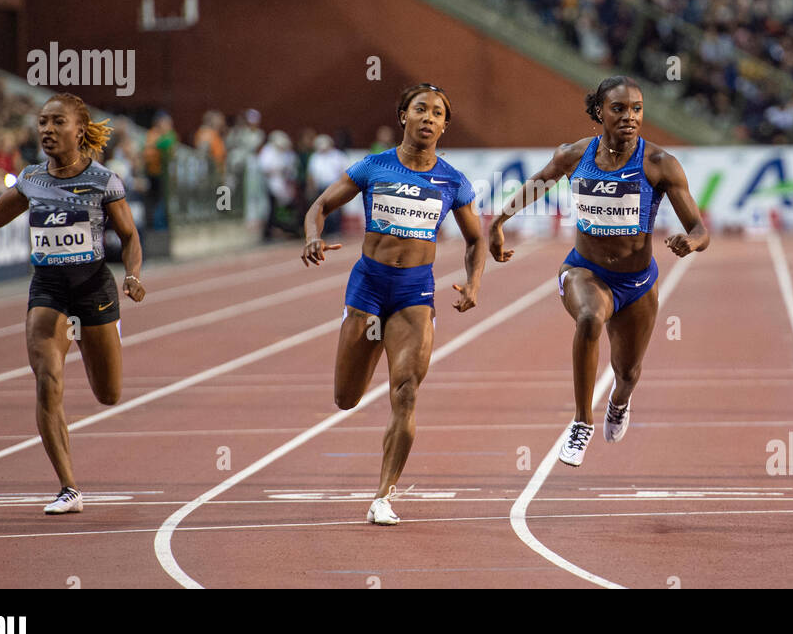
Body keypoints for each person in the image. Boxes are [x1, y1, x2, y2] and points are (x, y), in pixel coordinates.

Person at [0, 93, 146, 514]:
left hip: (94, 288)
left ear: (79, 130)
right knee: (47, 379)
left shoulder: (103, 181)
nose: (47, 130)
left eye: (58, 122)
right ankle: (69, 487)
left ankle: (105, 331)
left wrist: (131, 275)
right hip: (48, 290)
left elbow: (129, 236)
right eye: (42, 122)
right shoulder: (31, 179)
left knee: (108, 395)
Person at [490, 76, 710, 466]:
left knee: (627, 372)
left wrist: (691, 241)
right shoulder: (574, 155)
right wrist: (498, 222)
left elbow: (700, 229)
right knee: (590, 318)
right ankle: (580, 423)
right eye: (619, 109)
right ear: (599, 112)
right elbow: (538, 182)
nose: (630, 117)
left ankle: (619, 402)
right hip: (584, 271)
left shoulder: (660, 164)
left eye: (637, 109)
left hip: (637, 283)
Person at [302, 84, 485, 525]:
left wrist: (474, 283)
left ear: (444, 125)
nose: (428, 118)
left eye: (437, 113)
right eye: (420, 109)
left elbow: (477, 239)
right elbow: (321, 205)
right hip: (368, 287)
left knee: (405, 391)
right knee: (346, 398)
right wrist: (312, 235)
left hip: (414, 293)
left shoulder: (453, 181)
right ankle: (356, 395)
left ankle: (383, 495)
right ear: (403, 115)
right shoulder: (374, 166)